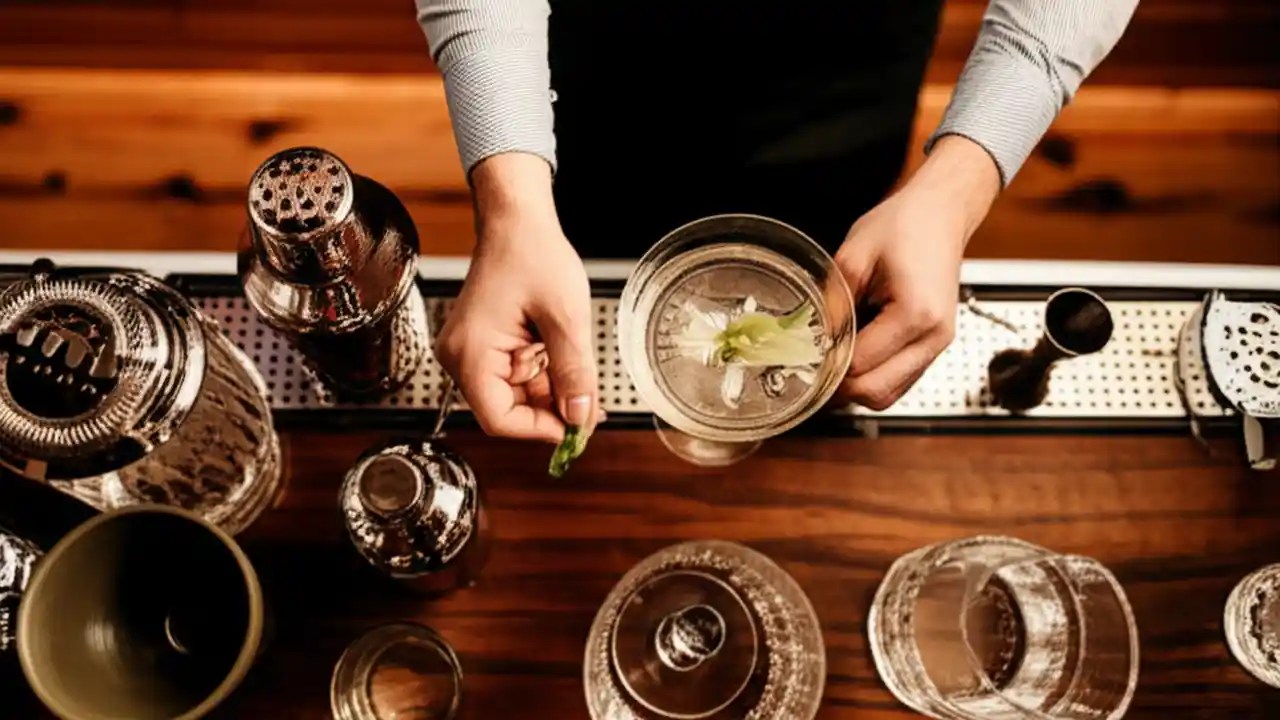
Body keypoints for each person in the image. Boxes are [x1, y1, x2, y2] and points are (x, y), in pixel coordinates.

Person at [415, 1, 1137, 444]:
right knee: (590, 221)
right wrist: (513, 207)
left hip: (847, 68)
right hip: (599, 62)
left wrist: (955, 189)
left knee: (830, 239)